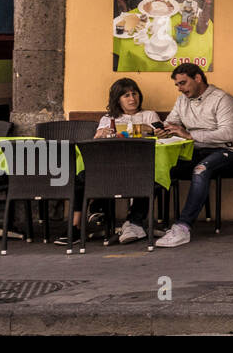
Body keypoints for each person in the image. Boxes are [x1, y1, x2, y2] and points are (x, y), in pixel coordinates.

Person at [154, 64, 233, 248]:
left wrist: (190, 135)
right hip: (198, 150)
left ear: (198, 78)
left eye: (183, 83)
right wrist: (166, 130)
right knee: (161, 167)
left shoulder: (223, 99)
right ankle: (135, 223)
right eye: (177, 85)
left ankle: (182, 228)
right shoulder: (182, 100)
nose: (180, 88)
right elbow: (172, 121)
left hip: (231, 151)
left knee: (200, 170)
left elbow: (227, 134)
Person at [57, 78, 163, 246]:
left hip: (139, 167)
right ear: (117, 99)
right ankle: (75, 226)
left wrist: (150, 130)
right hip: (110, 168)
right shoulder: (109, 119)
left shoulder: (149, 115)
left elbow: (162, 135)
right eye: (126, 95)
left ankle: (132, 222)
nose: (132, 99)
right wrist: (98, 136)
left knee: (154, 178)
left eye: (134, 94)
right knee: (80, 178)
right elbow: (96, 145)